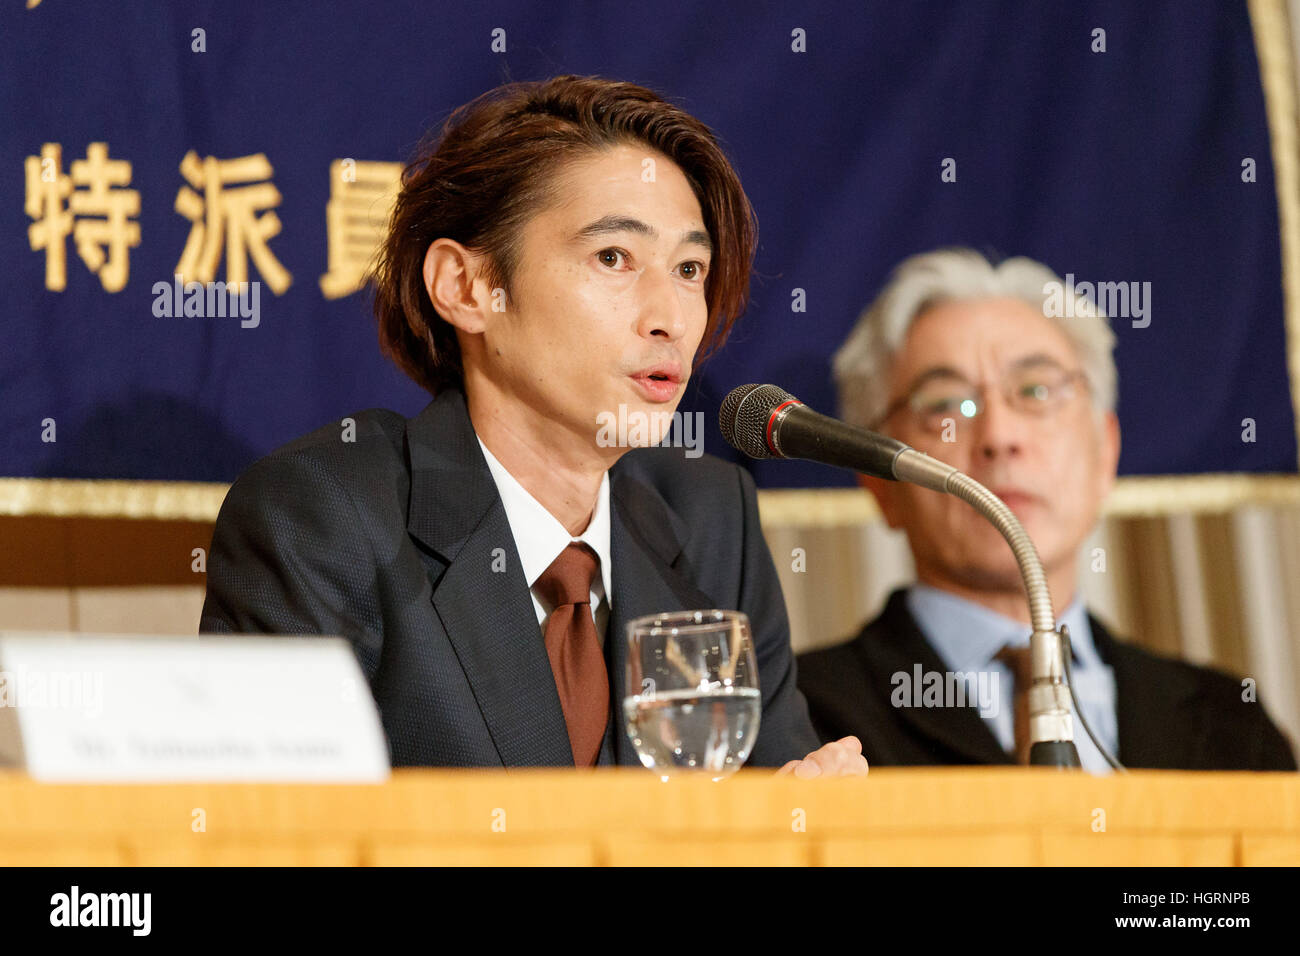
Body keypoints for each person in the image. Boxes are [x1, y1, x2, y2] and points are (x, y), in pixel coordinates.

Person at [200, 75, 865, 777]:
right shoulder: (325, 518)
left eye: (690, 268)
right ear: (466, 288)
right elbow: (280, 837)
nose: (669, 315)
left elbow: (771, 798)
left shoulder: (709, 520)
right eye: (614, 257)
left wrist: (794, 817)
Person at [797, 248, 1296, 771]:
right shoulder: (804, 716)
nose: (998, 437)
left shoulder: (1231, 724)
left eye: (1034, 391)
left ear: (1105, 450)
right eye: (946, 404)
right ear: (879, 483)